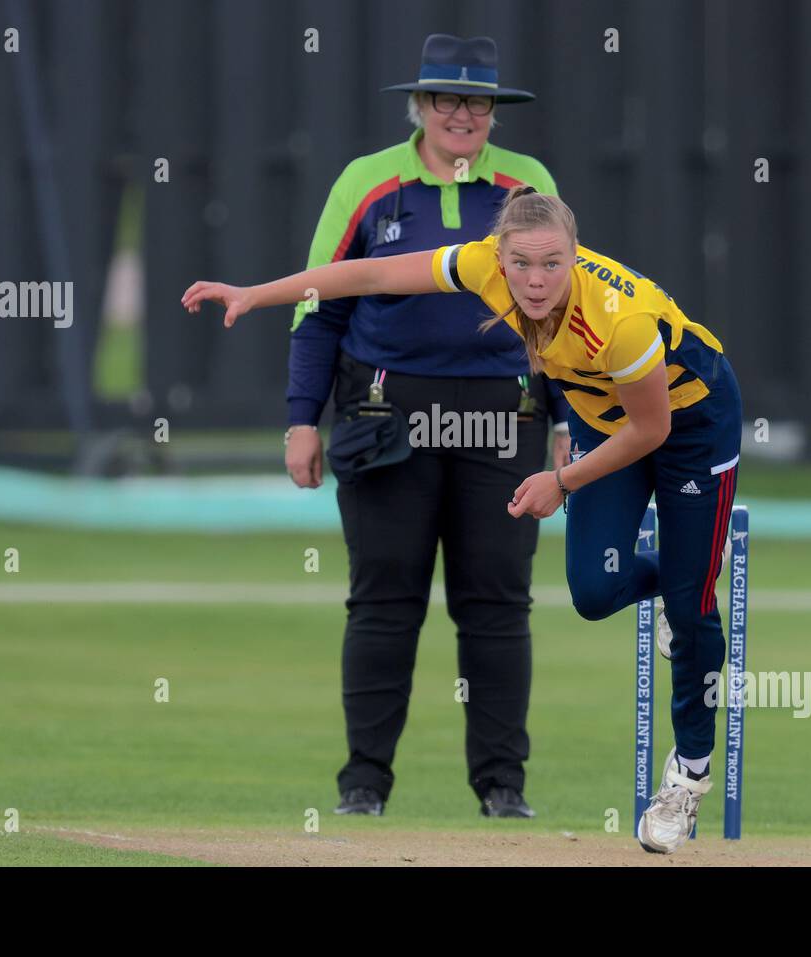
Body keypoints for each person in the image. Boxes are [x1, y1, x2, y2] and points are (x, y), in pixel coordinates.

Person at [183, 186, 743, 855]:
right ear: (500, 258)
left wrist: (560, 480)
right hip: (605, 420)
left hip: (690, 421)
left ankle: (687, 776)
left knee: (692, 611)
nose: (535, 281)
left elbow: (651, 430)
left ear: (574, 257)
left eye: (553, 264)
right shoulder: (481, 265)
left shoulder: (619, 322)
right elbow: (370, 275)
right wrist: (255, 294)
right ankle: (689, 574)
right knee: (596, 593)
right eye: (522, 264)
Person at [282, 34, 570, 819]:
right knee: (383, 597)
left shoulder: (527, 185)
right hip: (387, 411)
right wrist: (302, 419)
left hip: (505, 413)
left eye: (477, 102)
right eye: (447, 99)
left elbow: (561, 307)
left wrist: (568, 419)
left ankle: (502, 785)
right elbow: (319, 302)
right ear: (420, 105)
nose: (462, 115)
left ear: (494, 111)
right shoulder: (368, 182)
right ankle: (364, 783)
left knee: (498, 599)